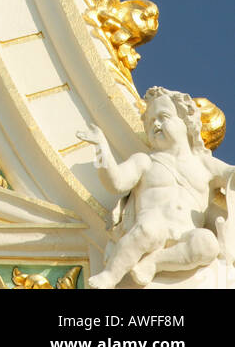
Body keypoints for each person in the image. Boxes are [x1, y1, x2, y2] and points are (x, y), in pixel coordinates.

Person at [79, 86, 235, 288]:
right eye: (151, 122)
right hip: (151, 226)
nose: (156, 124)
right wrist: (102, 151)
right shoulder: (145, 161)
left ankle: (156, 262)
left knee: (207, 244)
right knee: (146, 231)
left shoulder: (205, 165)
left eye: (163, 117)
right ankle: (110, 275)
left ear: (187, 123)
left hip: (185, 234)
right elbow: (116, 182)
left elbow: (230, 175)